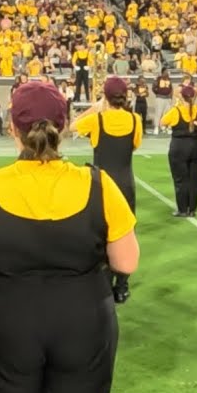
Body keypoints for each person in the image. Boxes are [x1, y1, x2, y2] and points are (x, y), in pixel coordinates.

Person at [0, 81, 139, 393]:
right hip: (84, 319)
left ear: (12, 128)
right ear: (62, 125)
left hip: (6, 321)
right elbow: (127, 261)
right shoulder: (100, 184)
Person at [72, 77, 141, 303]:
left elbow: (72, 126)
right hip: (126, 183)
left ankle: (103, 284)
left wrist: (94, 107)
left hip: (101, 186)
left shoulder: (97, 120)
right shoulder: (135, 120)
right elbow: (135, 144)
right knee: (123, 235)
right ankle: (122, 287)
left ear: (106, 97)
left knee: (100, 236)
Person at [161, 85, 197, 218]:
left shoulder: (176, 110)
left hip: (179, 147)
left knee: (181, 179)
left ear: (182, 96)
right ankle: (192, 208)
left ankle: (182, 209)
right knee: (194, 179)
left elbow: (162, 122)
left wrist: (177, 104)